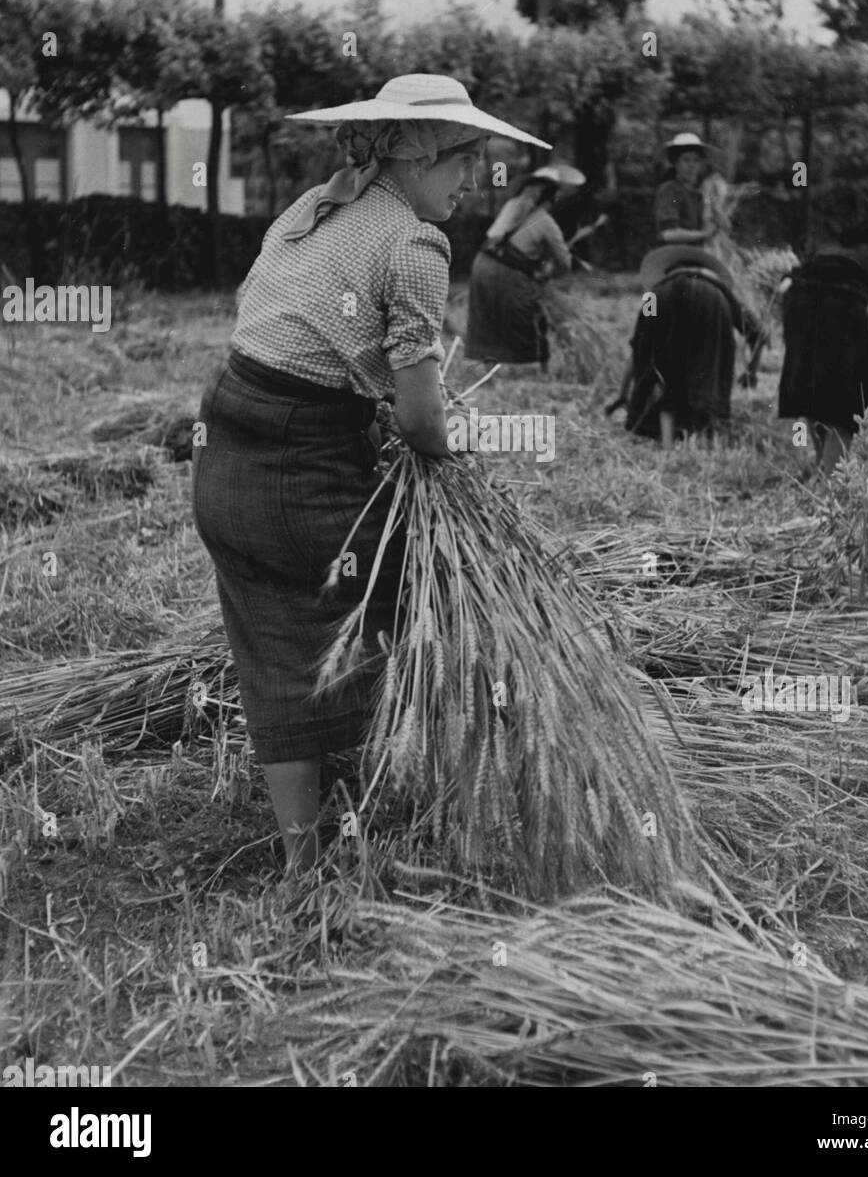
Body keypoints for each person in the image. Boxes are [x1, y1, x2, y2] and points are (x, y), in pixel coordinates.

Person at [191, 73, 549, 874]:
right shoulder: (414, 242)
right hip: (300, 463)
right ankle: (457, 806)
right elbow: (423, 420)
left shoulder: (314, 207)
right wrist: (449, 464)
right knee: (432, 605)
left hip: (224, 450)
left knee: (274, 640)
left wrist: (361, 394)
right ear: (419, 155)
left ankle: (303, 856)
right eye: (465, 160)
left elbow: (271, 316)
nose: (473, 181)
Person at [778, 221, 868, 476]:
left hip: (798, 303)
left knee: (812, 391)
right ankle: (832, 477)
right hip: (842, 306)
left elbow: (786, 280)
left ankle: (823, 463)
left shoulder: (827, 251)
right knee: (843, 403)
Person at [616, 243, 766, 446]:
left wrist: (623, 393)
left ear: (669, 271)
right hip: (711, 301)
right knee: (705, 374)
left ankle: (667, 444)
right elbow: (757, 332)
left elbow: (640, 342)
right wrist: (752, 370)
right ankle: (701, 442)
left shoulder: (655, 293)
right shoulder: (721, 293)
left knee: (665, 375)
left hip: (663, 299)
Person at [464, 166, 580, 368]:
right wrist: (548, 271)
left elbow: (495, 237)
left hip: (481, 265)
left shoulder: (512, 205)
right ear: (552, 198)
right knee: (534, 315)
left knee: (488, 317)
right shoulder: (546, 221)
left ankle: (489, 370)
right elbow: (565, 263)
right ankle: (539, 366)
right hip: (507, 272)